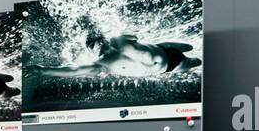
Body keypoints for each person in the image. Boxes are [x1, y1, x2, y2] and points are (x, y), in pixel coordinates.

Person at [32, 33, 200, 80]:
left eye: (99, 41)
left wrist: (44, 70)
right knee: (198, 60)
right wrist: (44, 70)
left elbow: (74, 70)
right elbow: (74, 70)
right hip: (166, 63)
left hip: (164, 53)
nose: (99, 43)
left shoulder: (115, 43)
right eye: (96, 42)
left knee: (192, 50)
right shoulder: (100, 64)